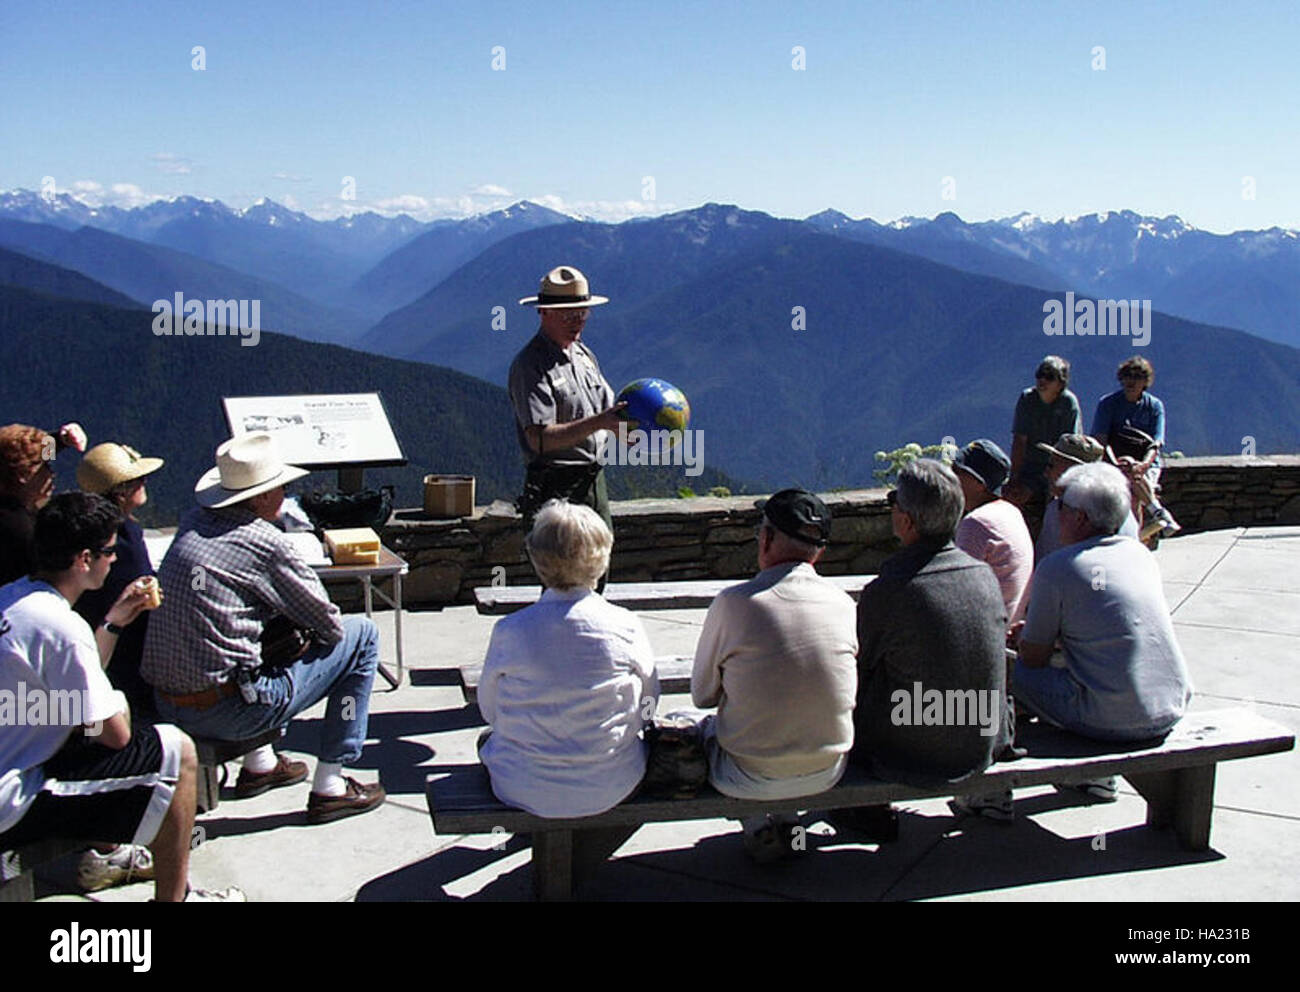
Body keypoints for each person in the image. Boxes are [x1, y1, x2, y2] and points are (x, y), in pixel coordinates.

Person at [0, 492, 241, 901]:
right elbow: (114, 734)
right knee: (177, 751)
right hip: (13, 798)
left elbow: (67, 684)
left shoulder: (13, 598)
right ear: (83, 559)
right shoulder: (61, 626)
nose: (114, 560)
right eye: (109, 551)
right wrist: (102, 710)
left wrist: (112, 623)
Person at [142, 432, 385, 824]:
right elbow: (330, 625)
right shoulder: (267, 544)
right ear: (258, 498)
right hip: (228, 712)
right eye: (280, 486)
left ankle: (261, 764)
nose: (286, 492)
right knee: (362, 638)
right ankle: (331, 786)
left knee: (250, 638)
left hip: (166, 701)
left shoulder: (192, 523)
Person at [692, 488, 857, 862]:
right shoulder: (844, 605)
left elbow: (702, 695)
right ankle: (788, 821)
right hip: (827, 769)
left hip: (745, 775)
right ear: (820, 552)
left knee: (702, 727)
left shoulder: (734, 603)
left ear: (765, 539)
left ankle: (756, 825)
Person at [1013, 461, 1193, 801]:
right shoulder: (1140, 555)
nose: (1056, 513)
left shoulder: (1058, 567)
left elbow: (1033, 660)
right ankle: (1094, 779)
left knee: (1012, 674)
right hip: (1169, 705)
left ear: (1081, 518)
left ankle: (992, 788)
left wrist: (1028, 641)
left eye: (1061, 507)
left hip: (1113, 718)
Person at [847, 460, 1011, 826]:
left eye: (895, 502)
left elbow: (859, 668)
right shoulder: (984, 577)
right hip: (980, 740)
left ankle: (863, 808)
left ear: (906, 521)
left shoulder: (890, 590)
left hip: (914, 755)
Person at [478, 500, 658, 818]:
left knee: (486, 742)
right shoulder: (626, 625)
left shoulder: (510, 630)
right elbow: (648, 705)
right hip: (613, 783)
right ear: (602, 559)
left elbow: (490, 710)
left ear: (536, 559)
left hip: (519, 785)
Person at [508, 265, 626, 538]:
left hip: (594, 480)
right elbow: (540, 440)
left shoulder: (584, 354)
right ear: (543, 312)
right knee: (563, 571)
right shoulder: (530, 365)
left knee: (598, 565)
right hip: (555, 487)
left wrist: (619, 426)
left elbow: (602, 411)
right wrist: (601, 422)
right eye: (568, 314)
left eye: (582, 313)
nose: (578, 321)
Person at [74, 442, 165, 721]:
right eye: (138, 479)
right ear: (121, 491)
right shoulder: (122, 538)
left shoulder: (84, 527)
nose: (145, 482)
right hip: (127, 662)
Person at [1091, 355, 1179, 539]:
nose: (1131, 381)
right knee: (1130, 488)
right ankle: (1157, 512)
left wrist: (1143, 465)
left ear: (1146, 381)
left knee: (1133, 493)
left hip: (1145, 463)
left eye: (1137, 377)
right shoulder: (1108, 404)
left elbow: (1155, 444)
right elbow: (1101, 440)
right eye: (1127, 376)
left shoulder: (1154, 406)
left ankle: (1132, 540)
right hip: (1114, 461)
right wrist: (1116, 464)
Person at [952, 439, 1033, 628]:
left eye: (958, 471)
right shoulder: (1011, 511)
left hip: (983, 637)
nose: (951, 476)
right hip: (1006, 629)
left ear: (980, 484)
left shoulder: (977, 523)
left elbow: (956, 594)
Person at [0, 422, 87, 586]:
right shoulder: (23, 531)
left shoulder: (11, 511)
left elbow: (27, 457)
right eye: (45, 466)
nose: (51, 473)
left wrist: (60, 441)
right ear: (23, 475)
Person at [1005, 356, 1082, 540]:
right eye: (1040, 375)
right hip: (1030, 467)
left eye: (1049, 376)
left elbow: (1067, 449)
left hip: (1057, 466)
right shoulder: (1027, 399)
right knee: (1012, 497)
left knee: (1053, 506)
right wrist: (1014, 477)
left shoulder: (1068, 403)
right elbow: (1019, 441)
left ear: (1060, 383)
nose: (1042, 380)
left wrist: (1055, 483)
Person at [1034, 433, 1138, 563]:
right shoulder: (1119, 506)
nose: (1046, 472)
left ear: (1073, 470)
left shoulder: (1066, 513)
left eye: (1051, 465)